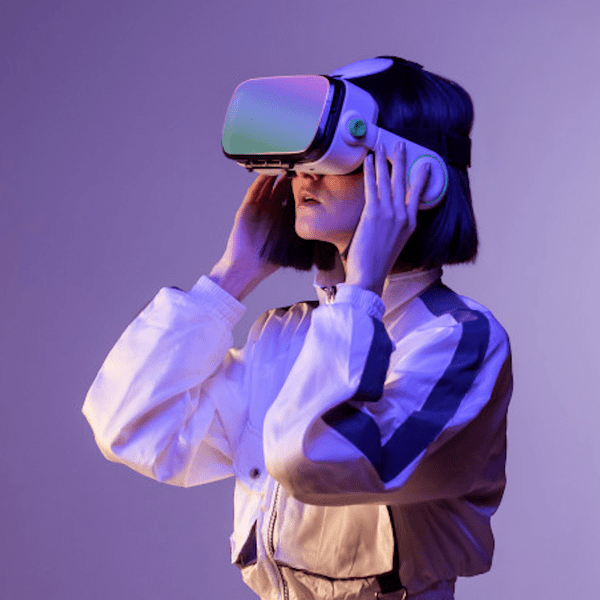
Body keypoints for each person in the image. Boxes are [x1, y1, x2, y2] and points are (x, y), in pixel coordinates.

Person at [83, 57, 512, 600]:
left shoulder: (460, 343)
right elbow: (132, 427)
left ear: (418, 177)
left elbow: (311, 459)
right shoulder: (286, 335)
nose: (304, 174)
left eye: (336, 155)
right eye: (302, 157)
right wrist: (229, 278)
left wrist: (361, 288)